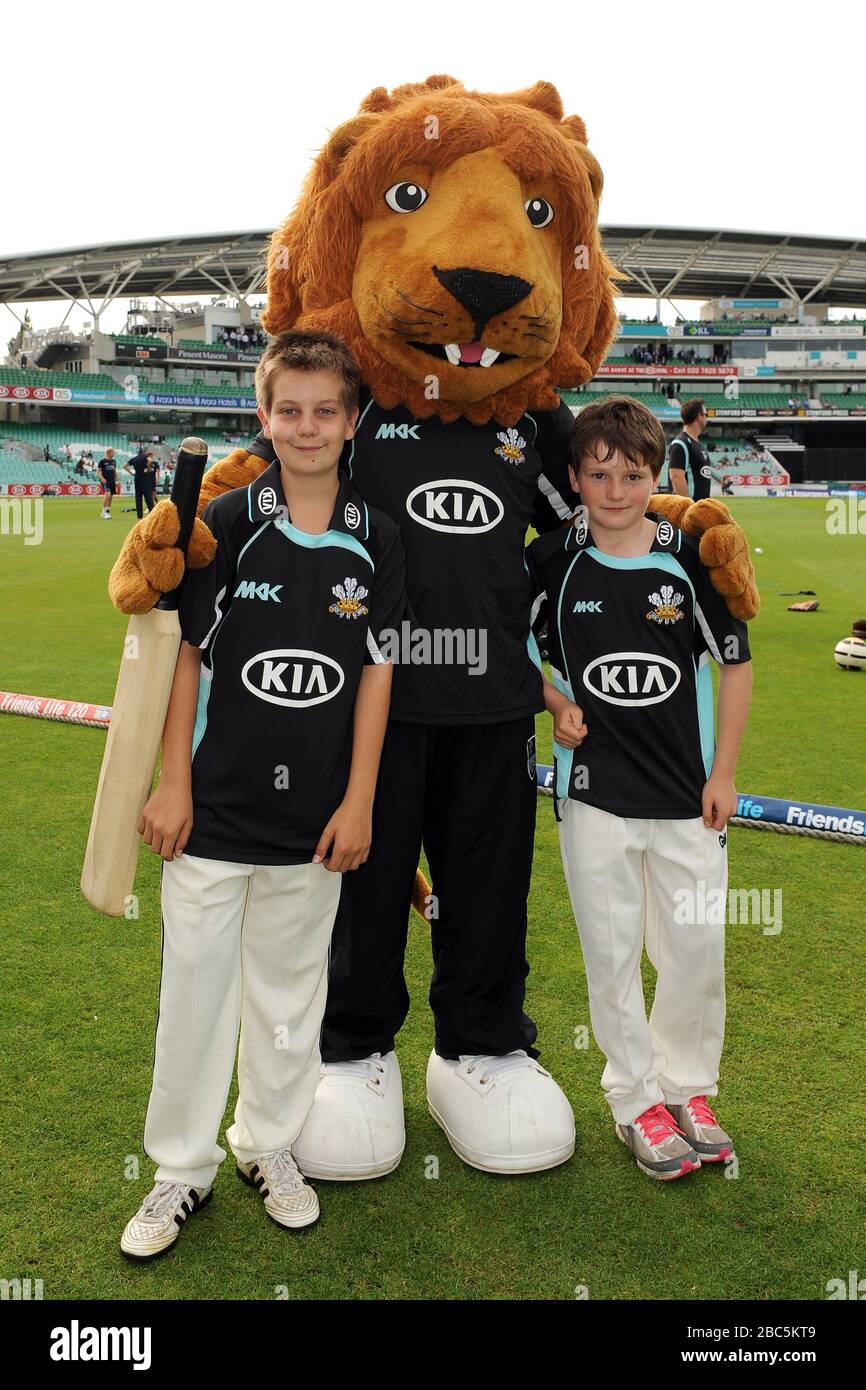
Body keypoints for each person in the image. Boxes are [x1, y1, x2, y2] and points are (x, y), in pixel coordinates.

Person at [120, 330, 406, 1262]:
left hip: (313, 821)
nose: (309, 426)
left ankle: (267, 1147)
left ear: (352, 419)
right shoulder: (228, 522)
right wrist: (173, 783)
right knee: (195, 996)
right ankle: (179, 1169)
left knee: (289, 1000)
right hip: (212, 813)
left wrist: (359, 799)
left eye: (328, 410)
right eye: (291, 410)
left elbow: (376, 674)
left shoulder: (378, 534)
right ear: (264, 416)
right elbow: (186, 659)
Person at [527, 395, 752, 1181]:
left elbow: (736, 664)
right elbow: (514, 642)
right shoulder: (551, 559)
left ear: (655, 475)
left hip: (689, 798)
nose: (616, 489)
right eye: (599, 474)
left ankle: (688, 1087)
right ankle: (634, 1100)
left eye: (631, 474)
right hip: (593, 799)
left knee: (694, 951)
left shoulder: (691, 556)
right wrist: (554, 702)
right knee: (613, 955)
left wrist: (722, 772)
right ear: (575, 477)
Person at [667, 398, 712, 500]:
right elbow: (676, 477)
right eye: (706, 414)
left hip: (700, 509)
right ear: (699, 417)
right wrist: (688, 508)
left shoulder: (699, 444)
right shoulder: (681, 443)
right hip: (689, 511)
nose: (707, 418)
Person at [124, 447, 158, 517]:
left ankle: (139, 515)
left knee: (138, 497)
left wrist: (132, 473)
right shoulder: (145, 457)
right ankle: (151, 512)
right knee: (148, 496)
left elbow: (125, 466)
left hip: (137, 477)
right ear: (143, 452)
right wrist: (148, 469)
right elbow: (150, 461)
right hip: (145, 477)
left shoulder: (134, 459)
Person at [97, 447, 118, 518]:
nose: (114, 453)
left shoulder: (114, 461)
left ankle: (107, 511)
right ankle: (104, 512)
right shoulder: (102, 461)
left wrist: (117, 478)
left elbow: (114, 470)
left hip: (112, 481)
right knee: (107, 494)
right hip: (106, 481)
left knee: (111, 496)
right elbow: (98, 471)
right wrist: (102, 478)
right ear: (109, 453)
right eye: (113, 452)